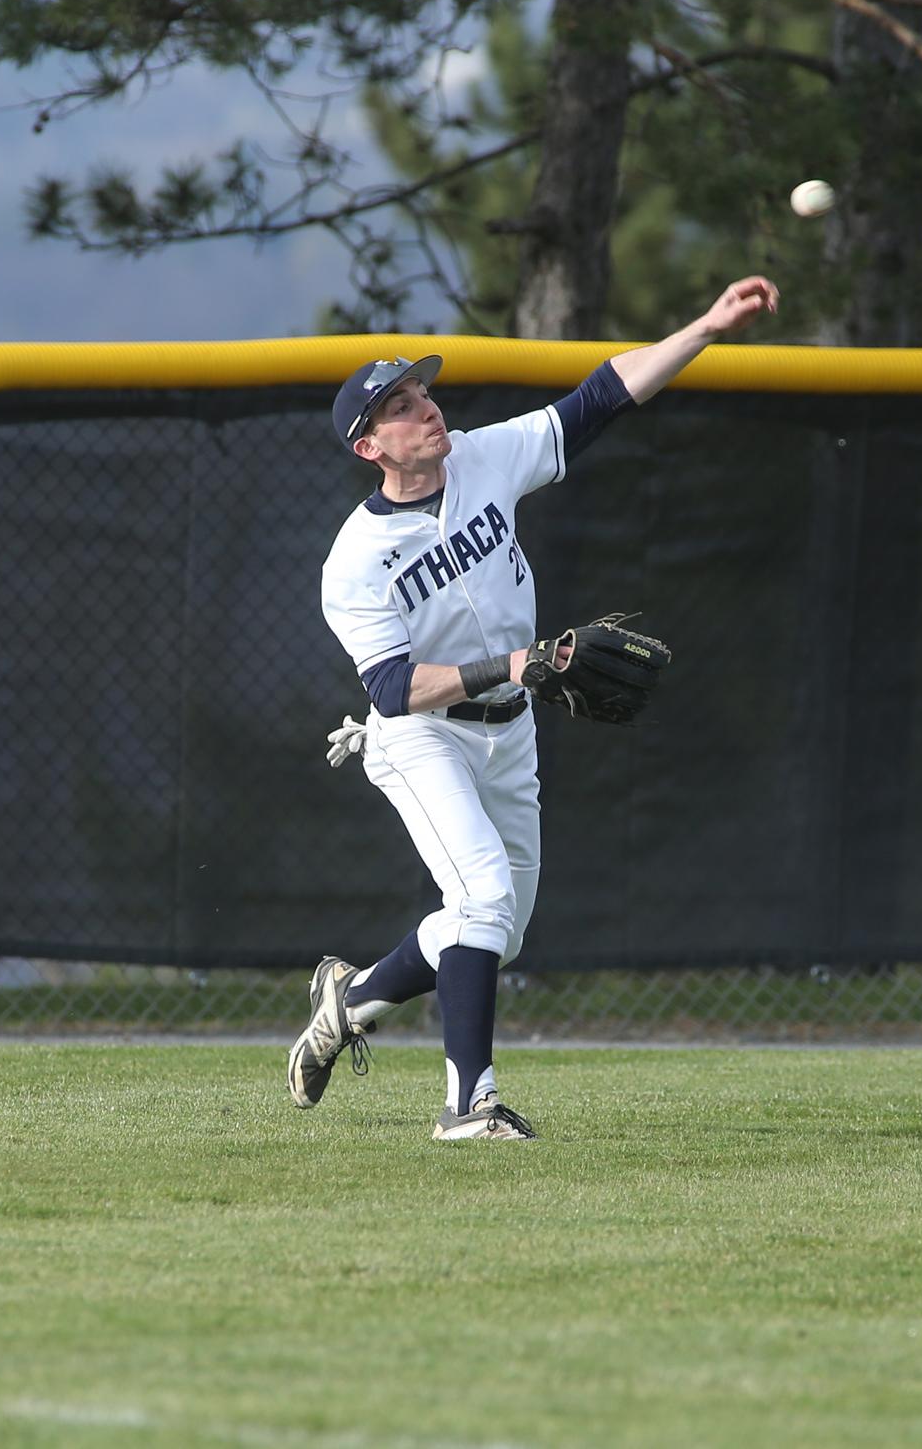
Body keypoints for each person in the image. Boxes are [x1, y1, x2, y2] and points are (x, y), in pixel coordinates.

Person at [290, 275, 781, 1140]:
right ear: (370, 447)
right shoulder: (354, 561)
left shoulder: (481, 455)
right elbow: (394, 689)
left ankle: (351, 998)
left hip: (509, 732)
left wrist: (704, 325)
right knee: (479, 896)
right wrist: (512, 661)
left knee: (496, 932)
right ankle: (466, 1106)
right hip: (419, 738)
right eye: (400, 406)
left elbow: (602, 395)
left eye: (423, 390)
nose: (427, 407)